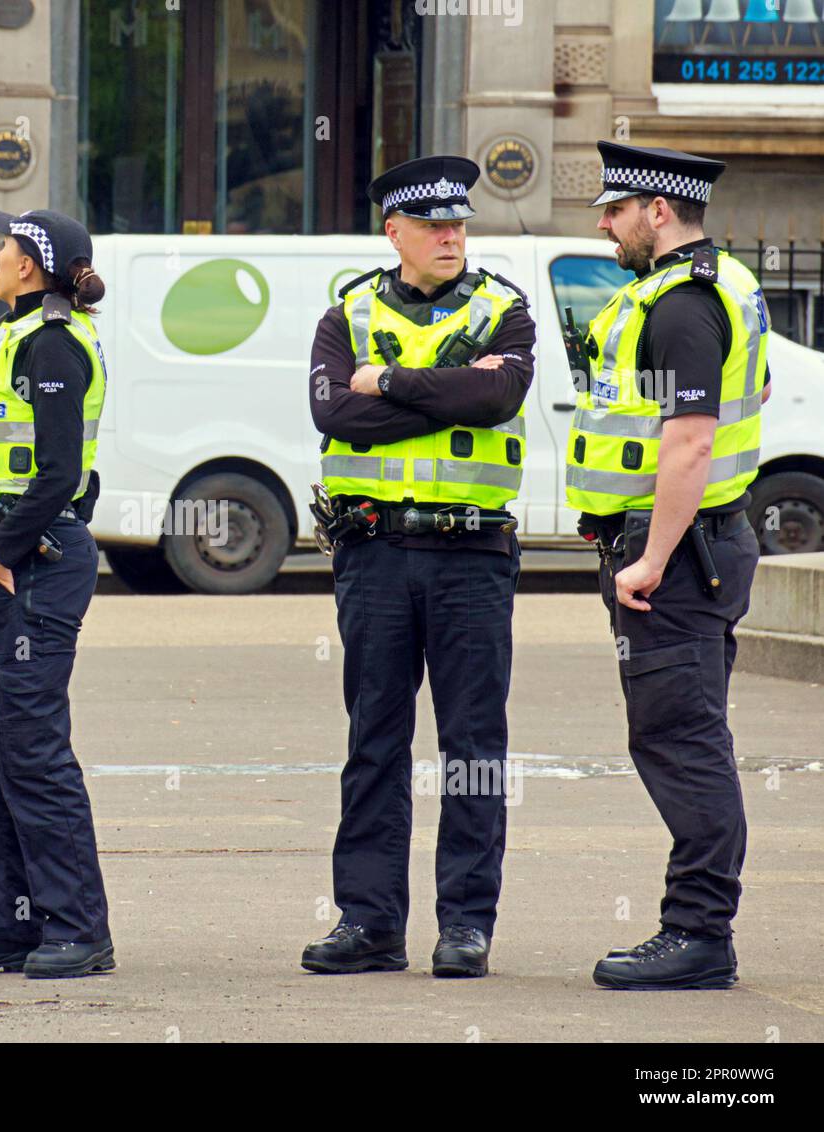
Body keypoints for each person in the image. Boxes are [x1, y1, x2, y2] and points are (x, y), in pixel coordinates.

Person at [301, 157, 536, 979]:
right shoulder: (349, 312)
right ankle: (369, 924)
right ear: (393, 231)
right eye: (433, 226)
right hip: (374, 552)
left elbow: (494, 401)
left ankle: (465, 926)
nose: (450, 236)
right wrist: (441, 390)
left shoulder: (506, 308)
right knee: (375, 743)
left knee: (472, 745)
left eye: (459, 224)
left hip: (472, 554)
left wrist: (392, 384)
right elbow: (335, 412)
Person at [568, 143, 768, 990]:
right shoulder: (714, 285)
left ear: (658, 211)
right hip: (696, 548)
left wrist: (649, 555)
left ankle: (697, 935)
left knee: (682, 741)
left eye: (614, 210)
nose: (604, 223)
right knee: (685, 734)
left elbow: (689, 439)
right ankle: (697, 929)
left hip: (681, 559)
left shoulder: (683, 304)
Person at [0, 208, 114, 980]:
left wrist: (0, 551)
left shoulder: (53, 342)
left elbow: (60, 470)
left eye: (5, 246)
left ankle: (77, 928)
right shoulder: (12, 335)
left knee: (33, 750)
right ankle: (0, 924)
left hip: (33, 553)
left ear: (30, 266)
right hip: (2, 552)